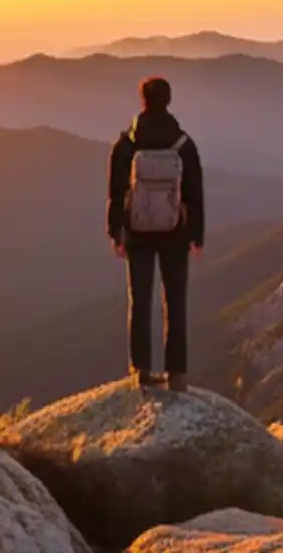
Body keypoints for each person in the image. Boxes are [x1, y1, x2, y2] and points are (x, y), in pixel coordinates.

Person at [106, 76, 205, 392]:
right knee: (176, 302)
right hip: (175, 232)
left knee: (141, 301)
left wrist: (116, 232)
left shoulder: (127, 144)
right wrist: (196, 235)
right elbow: (194, 192)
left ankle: (141, 371)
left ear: (143, 101)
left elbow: (116, 192)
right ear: (169, 100)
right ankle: (177, 374)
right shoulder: (184, 144)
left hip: (138, 232)